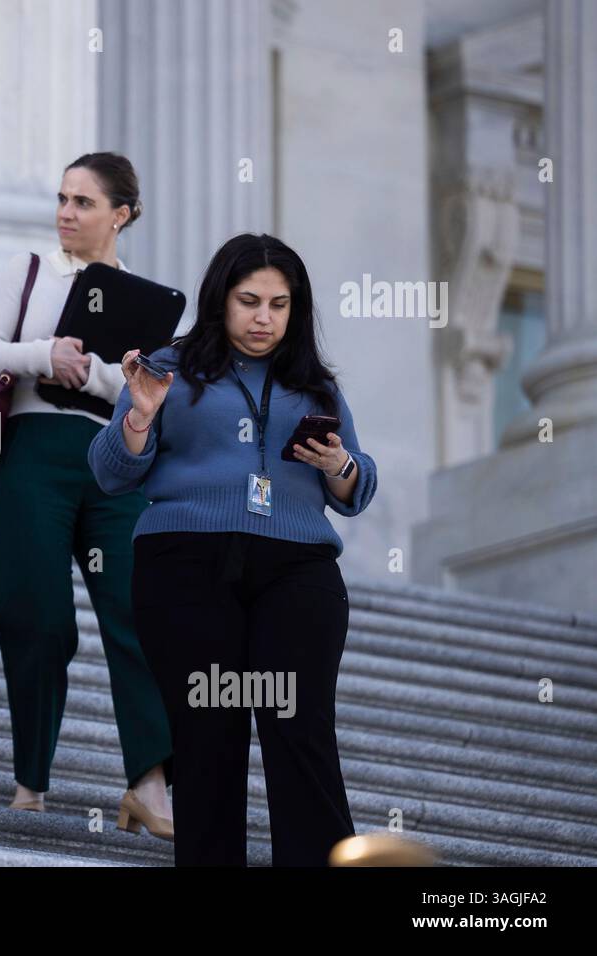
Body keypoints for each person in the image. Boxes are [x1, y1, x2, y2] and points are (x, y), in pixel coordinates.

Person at [87, 232, 378, 866]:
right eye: (250, 301)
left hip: (297, 569)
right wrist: (138, 417)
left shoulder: (316, 387)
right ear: (221, 299)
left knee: (300, 733)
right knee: (207, 736)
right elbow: (111, 473)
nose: (264, 318)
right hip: (184, 564)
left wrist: (339, 462)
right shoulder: (166, 367)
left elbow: (357, 490)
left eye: (279, 305)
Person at [0, 153, 174, 833]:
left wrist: (98, 378)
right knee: (37, 616)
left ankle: (149, 783)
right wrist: (45, 355)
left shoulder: (144, 300)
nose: (66, 213)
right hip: (31, 453)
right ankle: (31, 783)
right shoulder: (27, 270)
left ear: (122, 214)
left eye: (84, 202)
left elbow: (151, 399)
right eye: (62, 198)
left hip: (114, 463)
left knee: (139, 614)